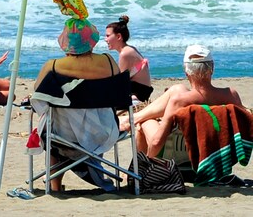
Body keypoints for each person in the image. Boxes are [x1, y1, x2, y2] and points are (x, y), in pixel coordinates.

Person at [31, 15, 122, 191]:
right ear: (91, 41)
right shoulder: (109, 62)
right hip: (102, 130)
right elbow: (118, 93)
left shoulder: (53, 65)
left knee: (53, 127)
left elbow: (39, 94)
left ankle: (54, 185)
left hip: (63, 136)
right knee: (75, 121)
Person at [121, 45, 244, 156]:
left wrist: (149, 160)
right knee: (177, 88)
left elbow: (157, 142)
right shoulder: (231, 96)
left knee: (145, 123)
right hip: (215, 152)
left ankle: (140, 168)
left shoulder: (180, 101)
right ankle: (134, 118)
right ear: (212, 68)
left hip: (183, 152)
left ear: (186, 72)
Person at [104, 15, 153, 101]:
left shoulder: (125, 53)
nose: (105, 39)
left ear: (119, 37)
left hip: (138, 94)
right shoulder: (130, 49)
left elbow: (120, 82)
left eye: (108, 36)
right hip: (143, 90)